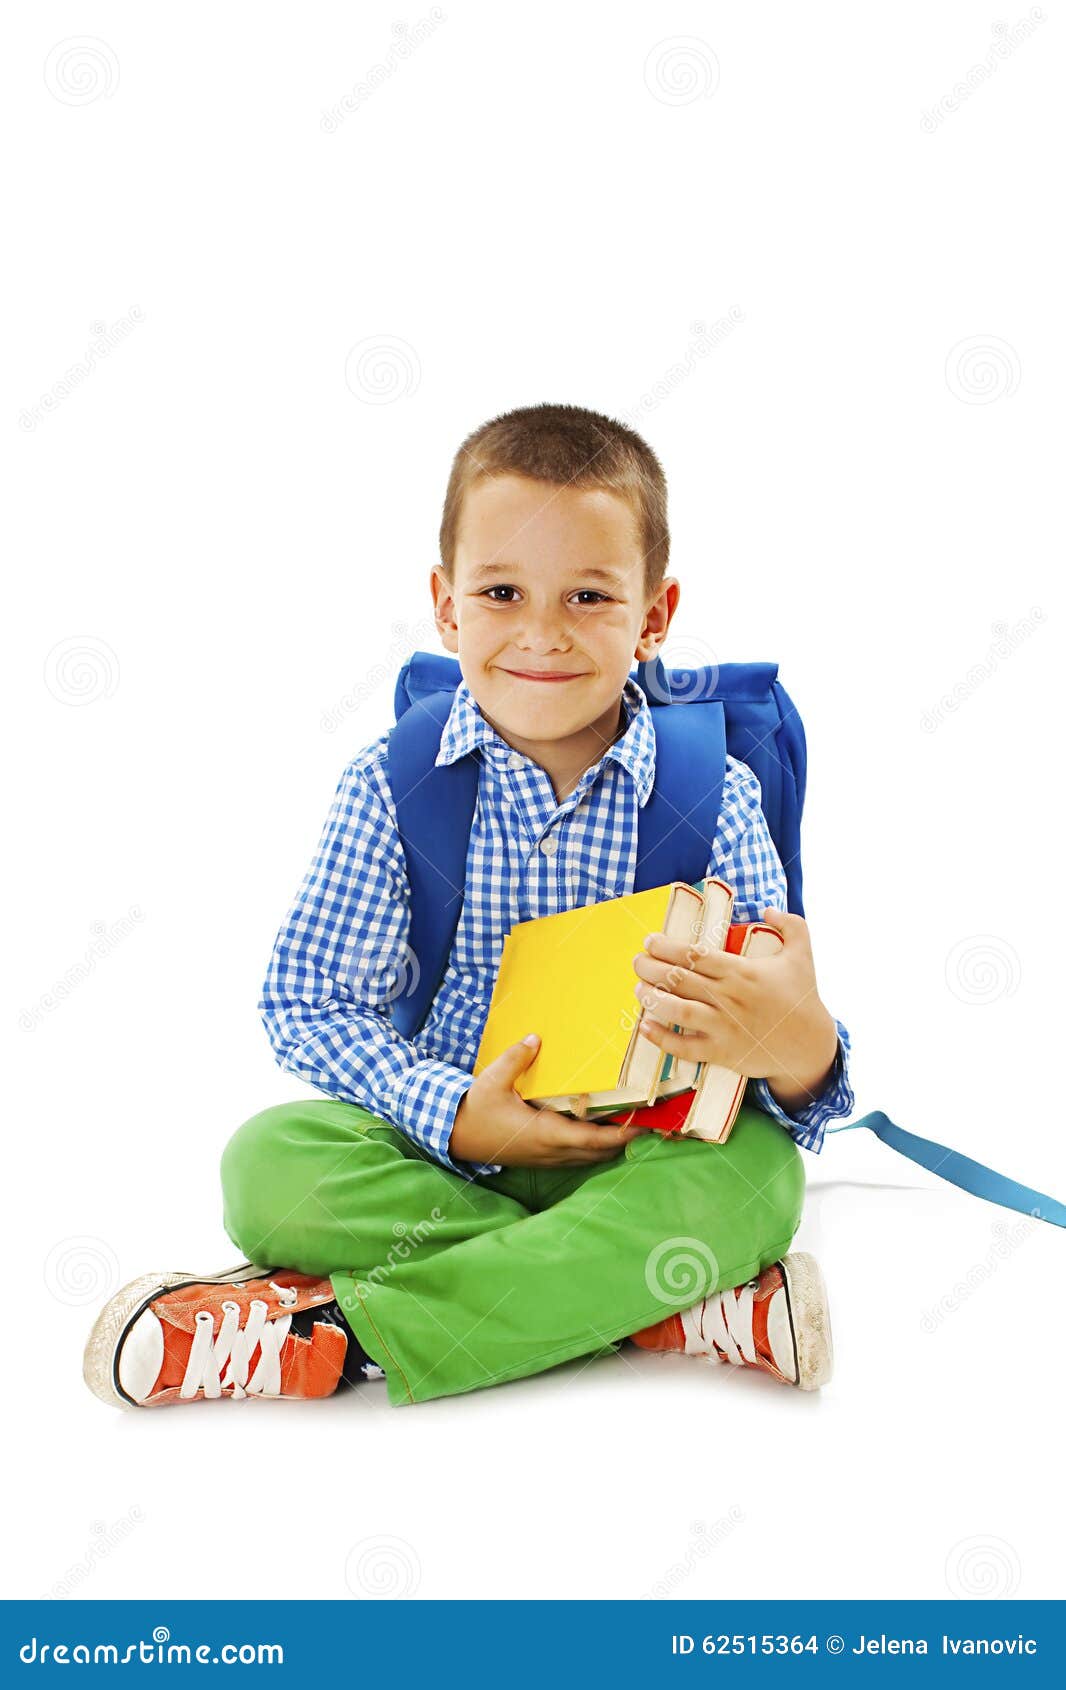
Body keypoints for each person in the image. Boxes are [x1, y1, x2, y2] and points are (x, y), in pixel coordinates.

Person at [83, 402, 854, 1412]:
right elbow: (309, 1003)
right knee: (267, 1166)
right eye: (501, 591)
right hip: (445, 1151)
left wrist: (805, 1052)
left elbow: (771, 1049)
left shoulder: (714, 793)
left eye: (588, 595)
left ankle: (336, 1337)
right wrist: (454, 1113)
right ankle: (656, 1304)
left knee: (756, 1184)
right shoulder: (393, 783)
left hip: (641, 1155)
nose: (541, 633)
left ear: (654, 616)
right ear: (446, 607)